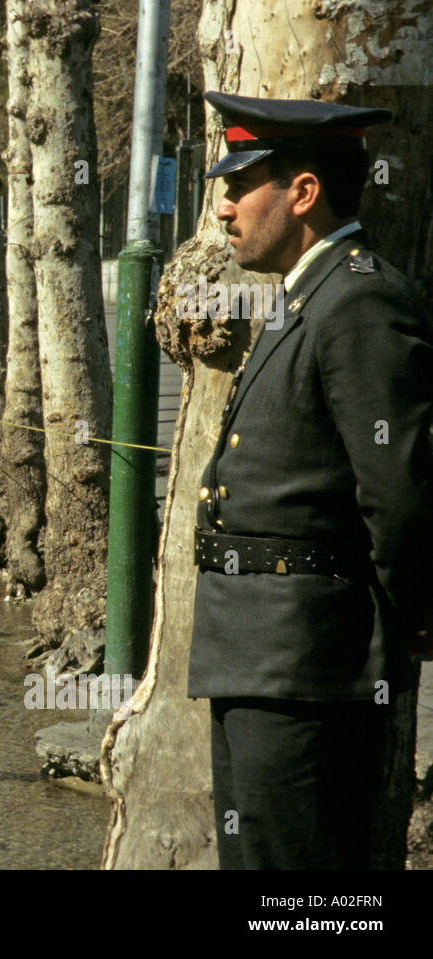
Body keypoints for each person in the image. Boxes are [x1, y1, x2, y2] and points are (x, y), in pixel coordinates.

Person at [189, 92, 433, 870]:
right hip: (260, 655)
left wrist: (399, 632)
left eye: (240, 185)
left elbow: (400, 495)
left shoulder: (359, 300)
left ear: (303, 192)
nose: (224, 208)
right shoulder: (308, 297)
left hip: (309, 670)